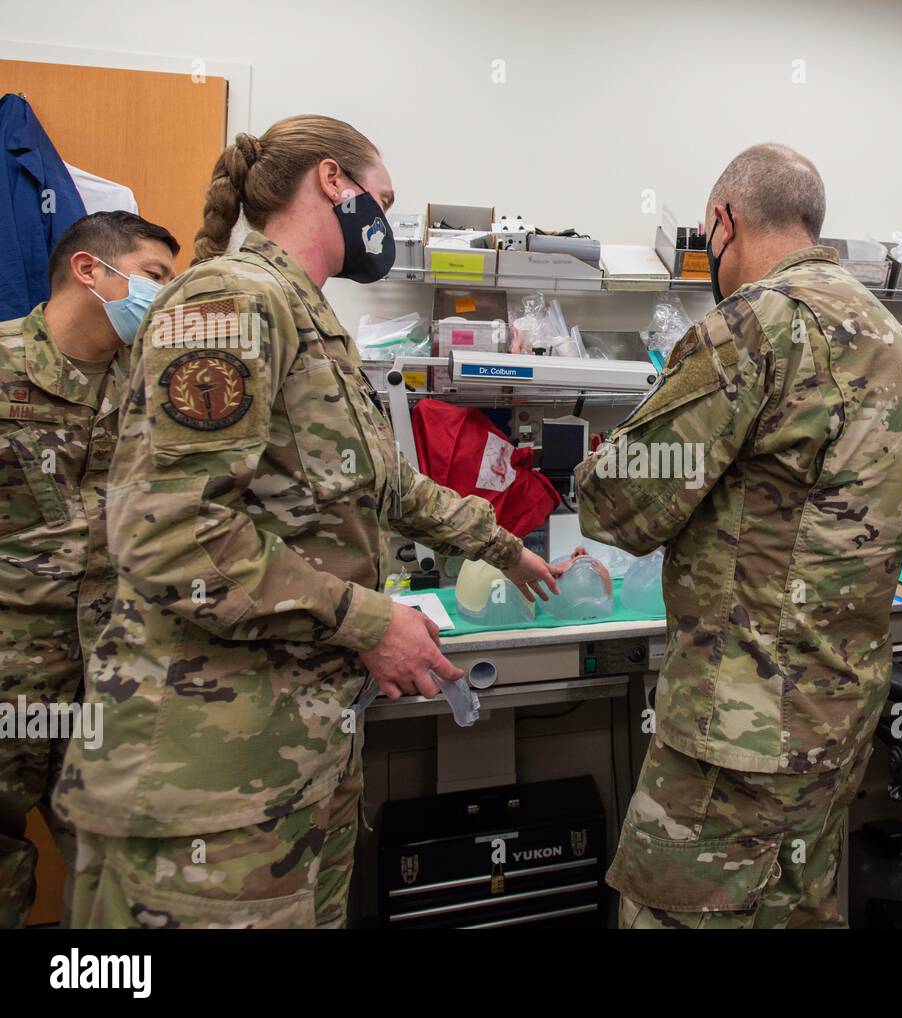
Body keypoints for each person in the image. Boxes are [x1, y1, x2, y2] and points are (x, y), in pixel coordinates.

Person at [52, 115, 557, 928]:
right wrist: (367, 622)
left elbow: (382, 482)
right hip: (206, 782)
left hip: (296, 761)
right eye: (381, 201)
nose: (385, 225)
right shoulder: (228, 301)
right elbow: (173, 532)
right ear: (333, 181)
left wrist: (503, 546)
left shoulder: (310, 320)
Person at [575, 143, 902, 928]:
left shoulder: (753, 327)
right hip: (836, 708)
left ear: (721, 224)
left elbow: (621, 507)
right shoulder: (887, 333)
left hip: (740, 728)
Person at [0, 211, 179, 928]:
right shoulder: (5, 363)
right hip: (9, 673)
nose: (168, 296)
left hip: (111, 678)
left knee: (116, 879)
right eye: (157, 276)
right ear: (90, 271)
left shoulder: (154, 386)